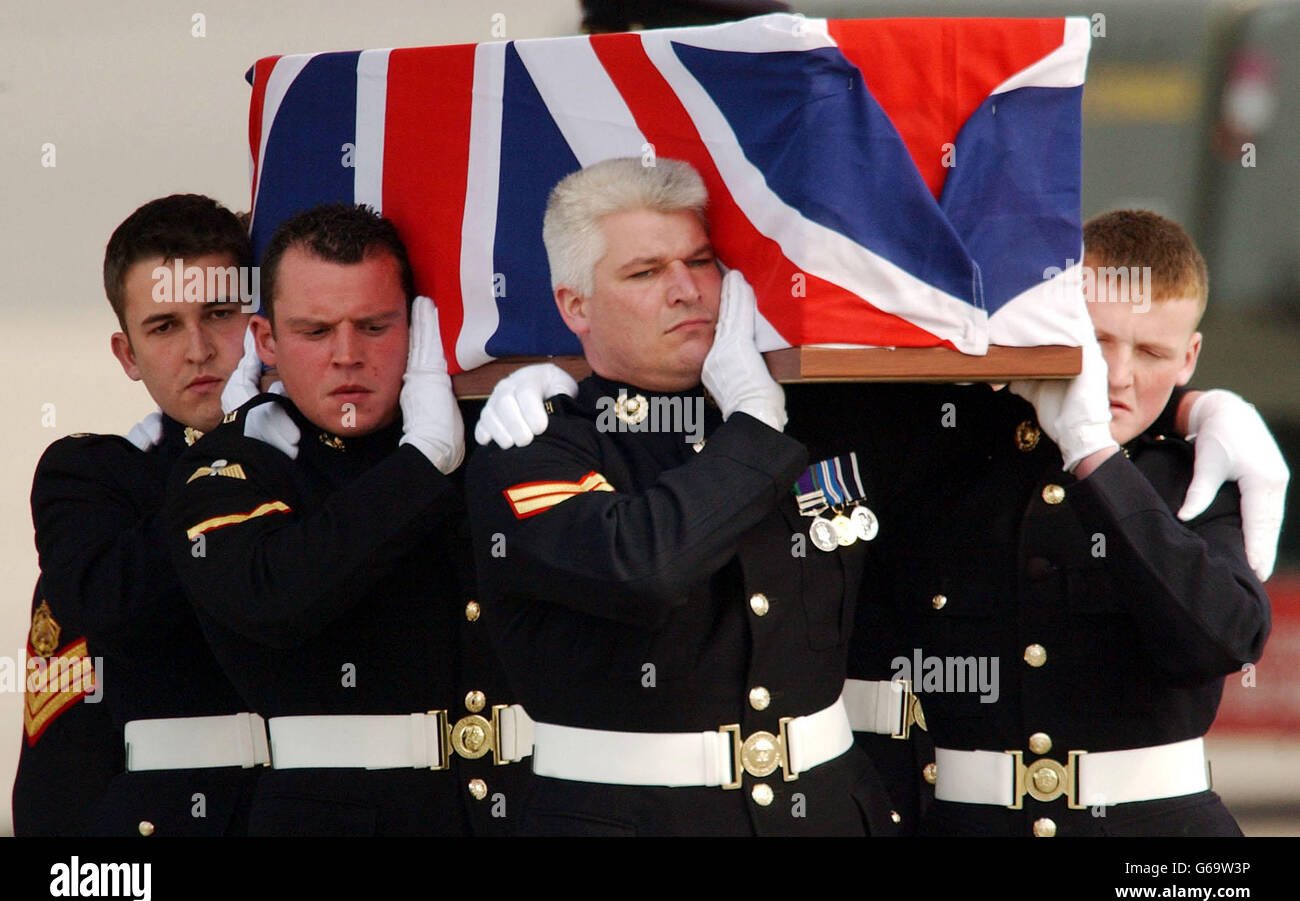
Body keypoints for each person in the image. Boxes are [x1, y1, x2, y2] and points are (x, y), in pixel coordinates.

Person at [465, 157, 897, 836]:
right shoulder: (531, 441)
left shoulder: (813, 415)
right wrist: (753, 423)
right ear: (574, 304)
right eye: (645, 272)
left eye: (700, 261)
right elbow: (643, 564)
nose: (687, 290)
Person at [833, 209, 1272, 836]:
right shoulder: (956, 455)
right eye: (1097, 342)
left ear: (1189, 358)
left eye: (1152, 352)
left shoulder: (1195, 474)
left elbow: (1221, 641)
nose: (1119, 377)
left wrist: (1096, 456)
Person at [167, 202, 528, 836]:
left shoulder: (484, 445)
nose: (347, 355)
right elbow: (274, 598)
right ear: (267, 341)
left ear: (415, 329)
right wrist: (420, 465)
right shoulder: (232, 467)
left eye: (374, 326)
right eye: (314, 331)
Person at [16, 194, 263, 837]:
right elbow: (114, 610)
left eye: (220, 313)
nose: (199, 350)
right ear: (127, 355)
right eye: (164, 327)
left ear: (266, 321)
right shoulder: (96, 479)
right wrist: (234, 455)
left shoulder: (339, 470)